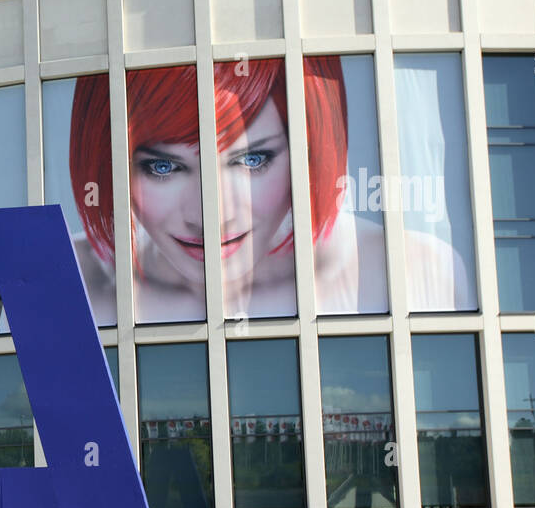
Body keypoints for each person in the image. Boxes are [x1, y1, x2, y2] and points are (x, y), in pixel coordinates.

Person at [68, 58, 412, 325]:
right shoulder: (69, 281)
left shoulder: (405, 270)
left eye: (252, 159)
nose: (210, 218)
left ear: (309, 149)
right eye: (163, 167)